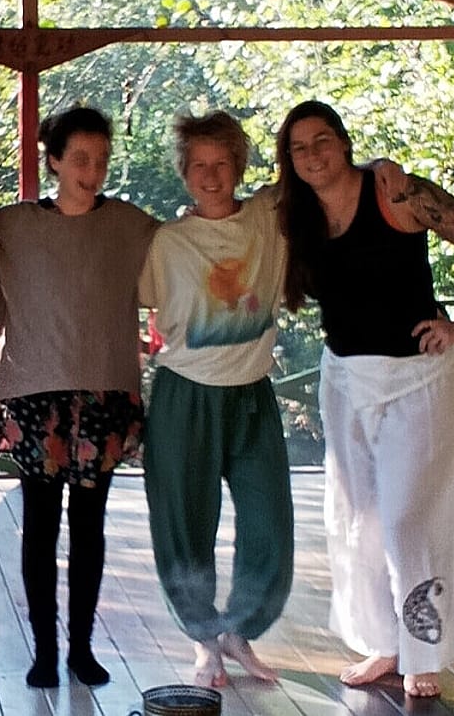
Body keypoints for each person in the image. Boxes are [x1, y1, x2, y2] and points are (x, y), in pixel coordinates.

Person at [275, 100, 454, 698]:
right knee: (362, 519)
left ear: (343, 142)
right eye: (298, 148)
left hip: (419, 378)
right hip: (344, 378)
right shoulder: (294, 213)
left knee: (406, 517)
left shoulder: (395, 194)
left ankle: (423, 648)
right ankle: (384, 641)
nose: (312, 156)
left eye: (322, 141)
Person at [0, 106, 158, 688]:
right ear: (54, 160)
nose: (93, 170)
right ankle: (44, 650)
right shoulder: (10, 225)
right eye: (80, 158)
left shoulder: (131, 225)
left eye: (102, 159)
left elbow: (189, 251)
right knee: (39, 528)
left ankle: (81, 648)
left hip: (105, 392)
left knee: (89, 528)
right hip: (35, 395)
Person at [138, 110, 294, 689]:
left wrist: (382, 170)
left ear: (239, 166)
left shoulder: (269, 219)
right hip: (184, 396)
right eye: (199, 165)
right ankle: (204, 639)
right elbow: (120, 298)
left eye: (222, 163)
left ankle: (239, 629)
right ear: (184, 173)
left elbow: (317, 171)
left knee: (269, 521)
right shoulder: (167, 242)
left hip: (252, 394)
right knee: (184, 523)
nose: (210, 176)